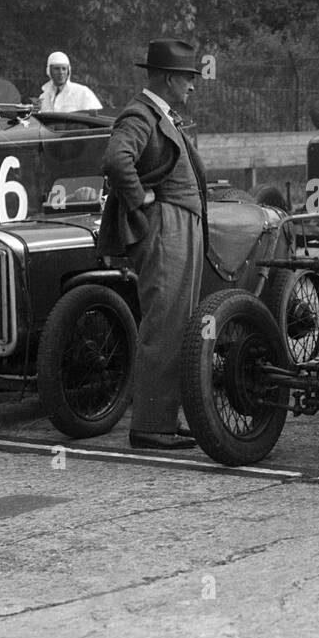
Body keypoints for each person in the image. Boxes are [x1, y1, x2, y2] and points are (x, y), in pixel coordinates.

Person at [99, 38, 207, 451]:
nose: (192, 86)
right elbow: (115, 159)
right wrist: (139, 198)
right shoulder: (140, 113)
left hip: (178, 229)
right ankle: (149, 426)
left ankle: (163, 419)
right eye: (187, 78)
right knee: (163, 325)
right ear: (167, 78)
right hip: (164, 230)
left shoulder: (161, 114)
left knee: (177, 325)